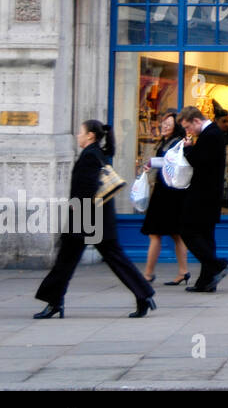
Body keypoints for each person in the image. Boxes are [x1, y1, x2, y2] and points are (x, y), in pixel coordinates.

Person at [33, 120, 156, 319]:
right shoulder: (99, 152)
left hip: (86, 218)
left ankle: (54, 302)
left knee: (66, 261)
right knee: (114, 259)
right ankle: (144, 295)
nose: (78, 136)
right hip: (98, 219)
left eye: (80, 132)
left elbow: (89, 187)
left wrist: (75, 206)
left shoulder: (90, 155)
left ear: (90, 135)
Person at [178, 106, 228, 293]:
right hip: (210, 193)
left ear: (196, 121)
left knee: (187, 230)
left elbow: (200, 162)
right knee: (205, 236)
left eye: (188, 127)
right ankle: (207, 281)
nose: (188, 132)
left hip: (203, 194)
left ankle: (216, 265)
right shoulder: (212, 133)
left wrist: (187, 149)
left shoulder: (210, 135)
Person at [139, 110, 191, 287]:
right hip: (167, 191)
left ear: (175, 127)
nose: (164, 127)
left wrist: (151, 163)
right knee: (176, 234)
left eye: (168, 124)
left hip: (168, 194)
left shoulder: (176, 143)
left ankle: (148, 274)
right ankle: (183, 271)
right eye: (163, 124)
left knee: (155, 233)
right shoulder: (169, 142)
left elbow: (171, 163)